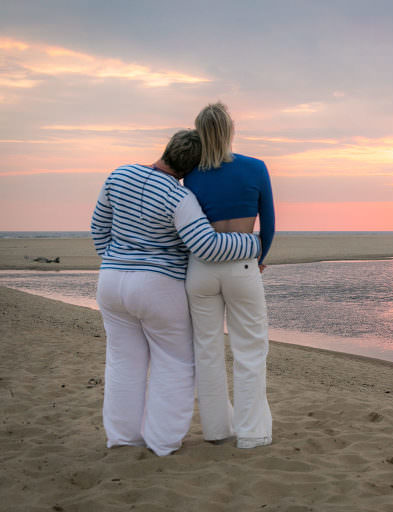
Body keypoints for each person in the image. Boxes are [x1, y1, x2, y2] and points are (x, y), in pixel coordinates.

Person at [90, 129, 263, 456]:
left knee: (123, 361)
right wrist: (255, 243)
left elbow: (99, 228)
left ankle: (123, 438)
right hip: (158, 286)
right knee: (174, 363)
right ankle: (163, 441)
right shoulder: (180, 198)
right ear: (192, 169)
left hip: (111, 282)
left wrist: (117, 260)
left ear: (167, 148)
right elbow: (207, 247)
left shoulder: (119, 174)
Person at [184, 102, 275, 449]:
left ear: (200, 133)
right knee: (250, 350)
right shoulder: (255, 168)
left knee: (206, 350)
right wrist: (259, 256)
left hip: (200, 269)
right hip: (242, 268)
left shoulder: (190, 175)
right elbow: (268, 223)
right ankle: (252, 434)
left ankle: (216, 430)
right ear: (230, 130)